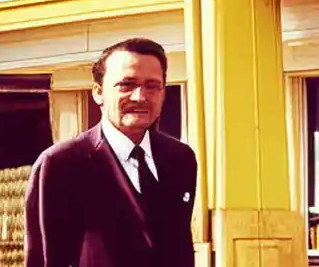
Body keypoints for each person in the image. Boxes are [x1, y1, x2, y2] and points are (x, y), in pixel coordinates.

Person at [24, 38, 197, 267]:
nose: (140, 97)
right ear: (98, 93)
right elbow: (46, 260)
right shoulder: (61, 165)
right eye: (126, 84)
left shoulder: (180, 159)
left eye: (152, 85)